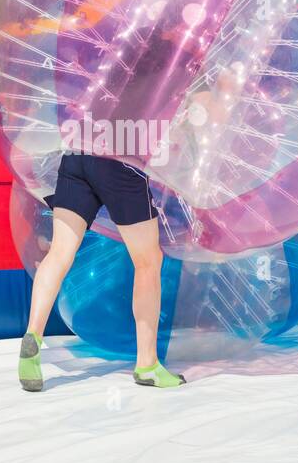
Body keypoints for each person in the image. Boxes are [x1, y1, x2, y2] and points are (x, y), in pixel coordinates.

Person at [18, 152, 184, 392]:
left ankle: (33, 334)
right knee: (148, 261)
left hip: (76, 155)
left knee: (59, 252)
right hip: (119, 156)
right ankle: (147, 364)